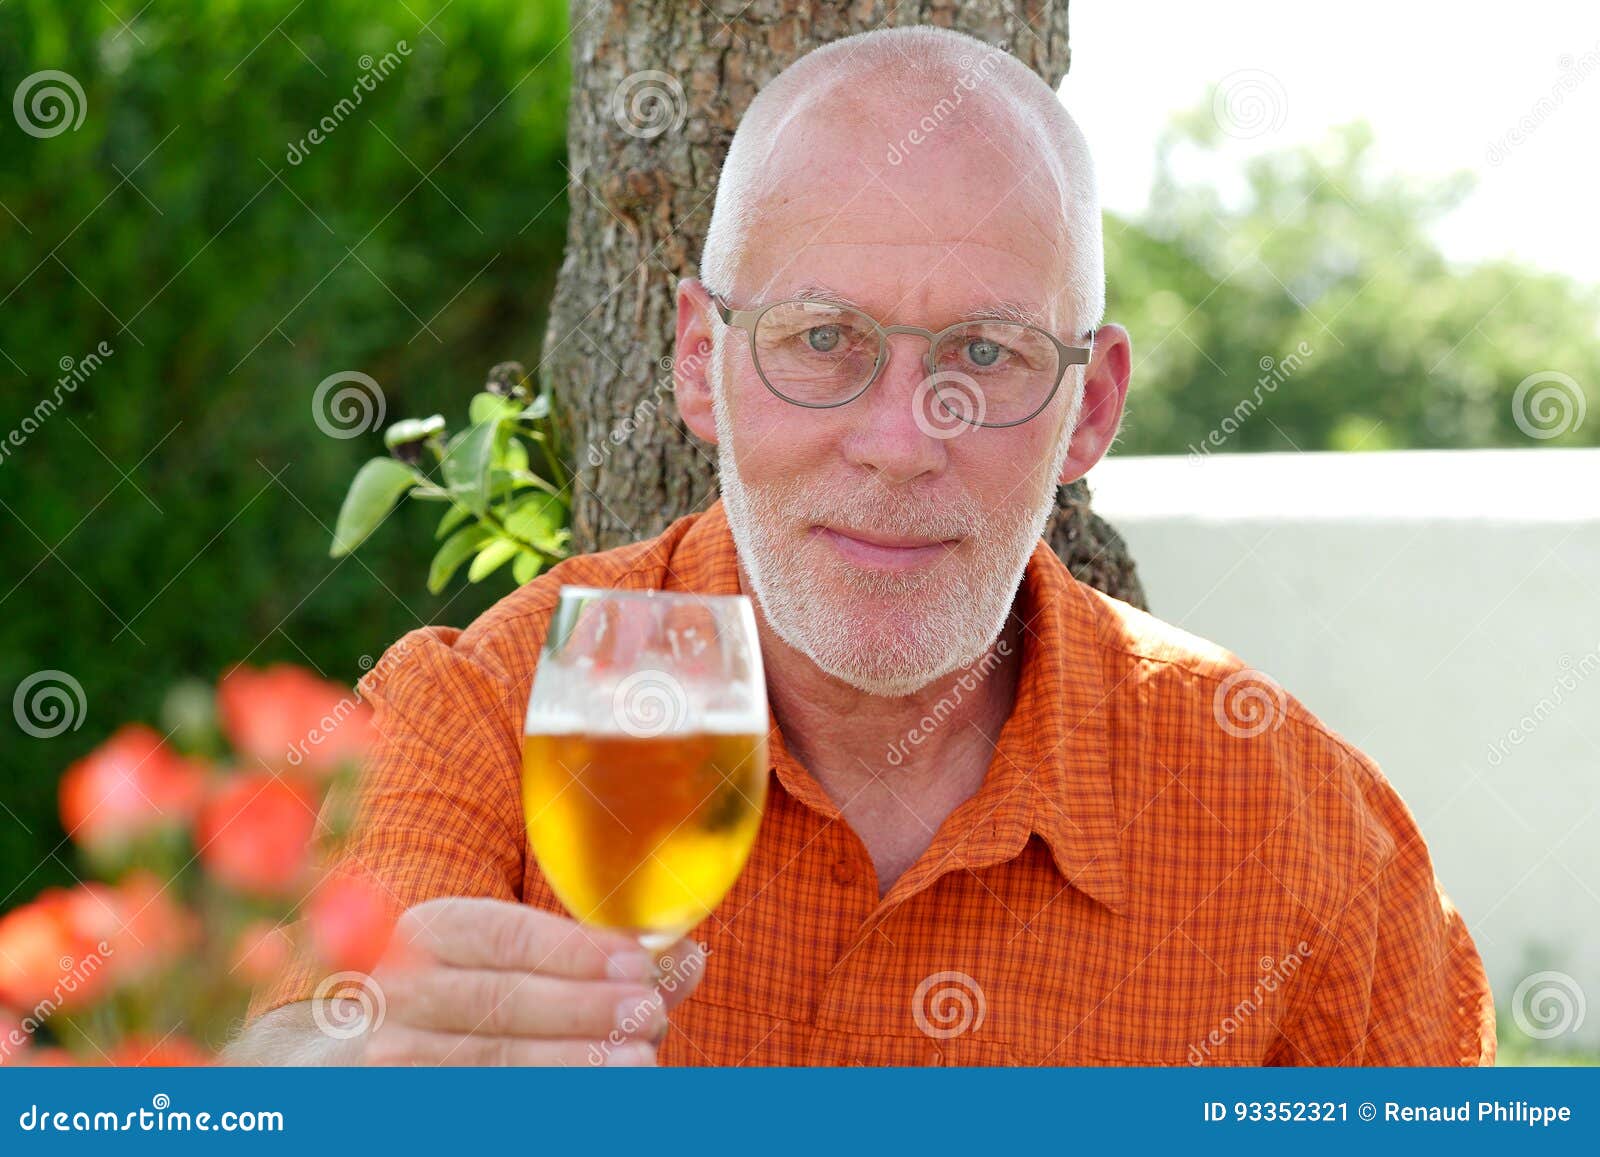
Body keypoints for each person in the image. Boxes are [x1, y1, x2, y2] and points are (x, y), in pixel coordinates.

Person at [225, 25, 1494, 1067]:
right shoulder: (482, 716)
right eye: (824, 337)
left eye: (984, 354)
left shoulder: (1297, 825)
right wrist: (315, 1086)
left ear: (1090, 409)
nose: (899, 440)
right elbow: (292, 1061)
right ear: (700, 361)